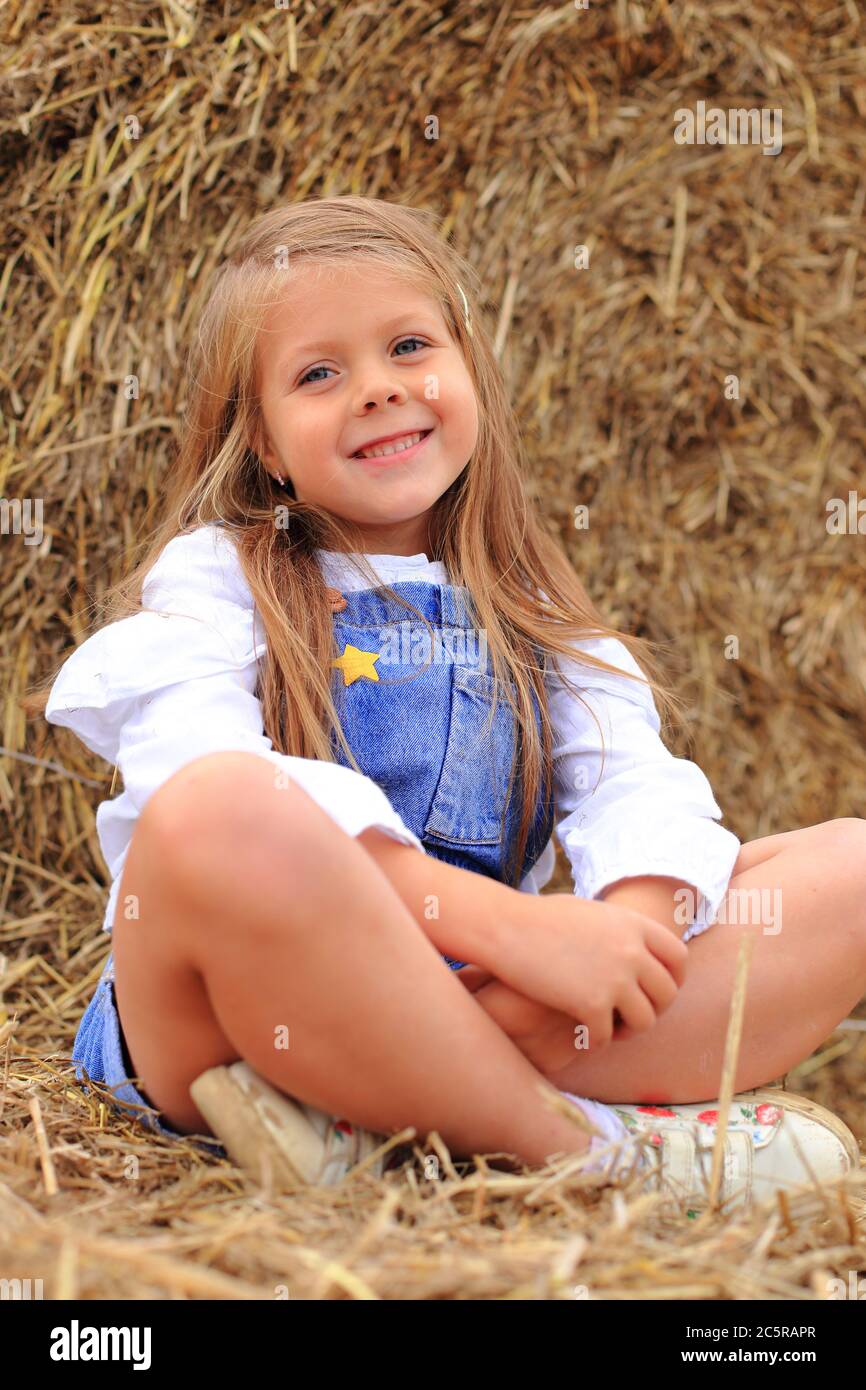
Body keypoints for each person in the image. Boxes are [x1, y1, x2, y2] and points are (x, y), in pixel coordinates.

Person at [36, 196, 864, 1200]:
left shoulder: (539, 618)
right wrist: (507, 927)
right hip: (240, 1028)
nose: (378, 389)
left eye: (408, 345)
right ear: (262, 444)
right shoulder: (216, 580)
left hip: (487, 1010)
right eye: (318, 373)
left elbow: (637, 793)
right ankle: (592, 1154)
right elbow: (192, 776)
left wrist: (625, 931)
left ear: (467, 368)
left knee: (848, 872)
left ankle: (378, 1125)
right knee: (214, 809)